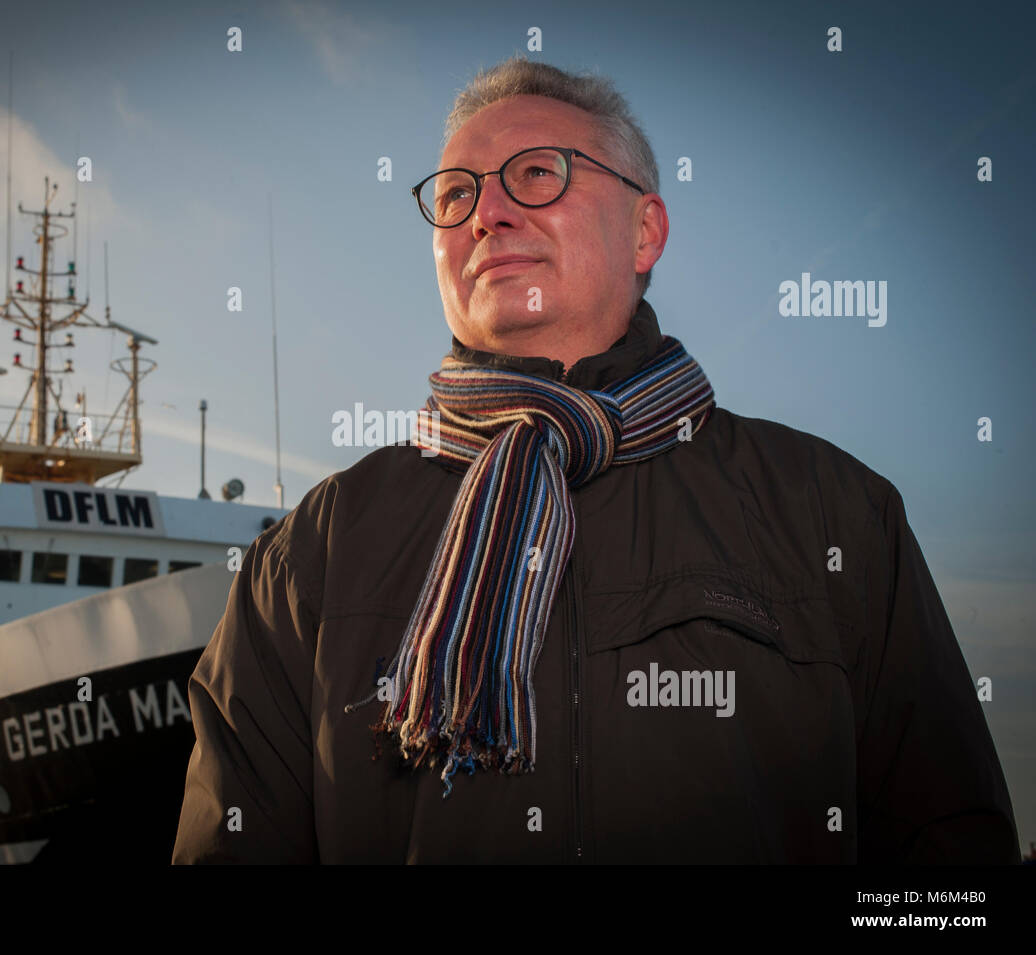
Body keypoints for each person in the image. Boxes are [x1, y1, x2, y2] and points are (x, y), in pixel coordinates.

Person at [171, 56, 1019, 864]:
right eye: (457, 192)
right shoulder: (312, 551)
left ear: (645, 229)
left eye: (537, 174)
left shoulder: (833, 509)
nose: (486, 213)